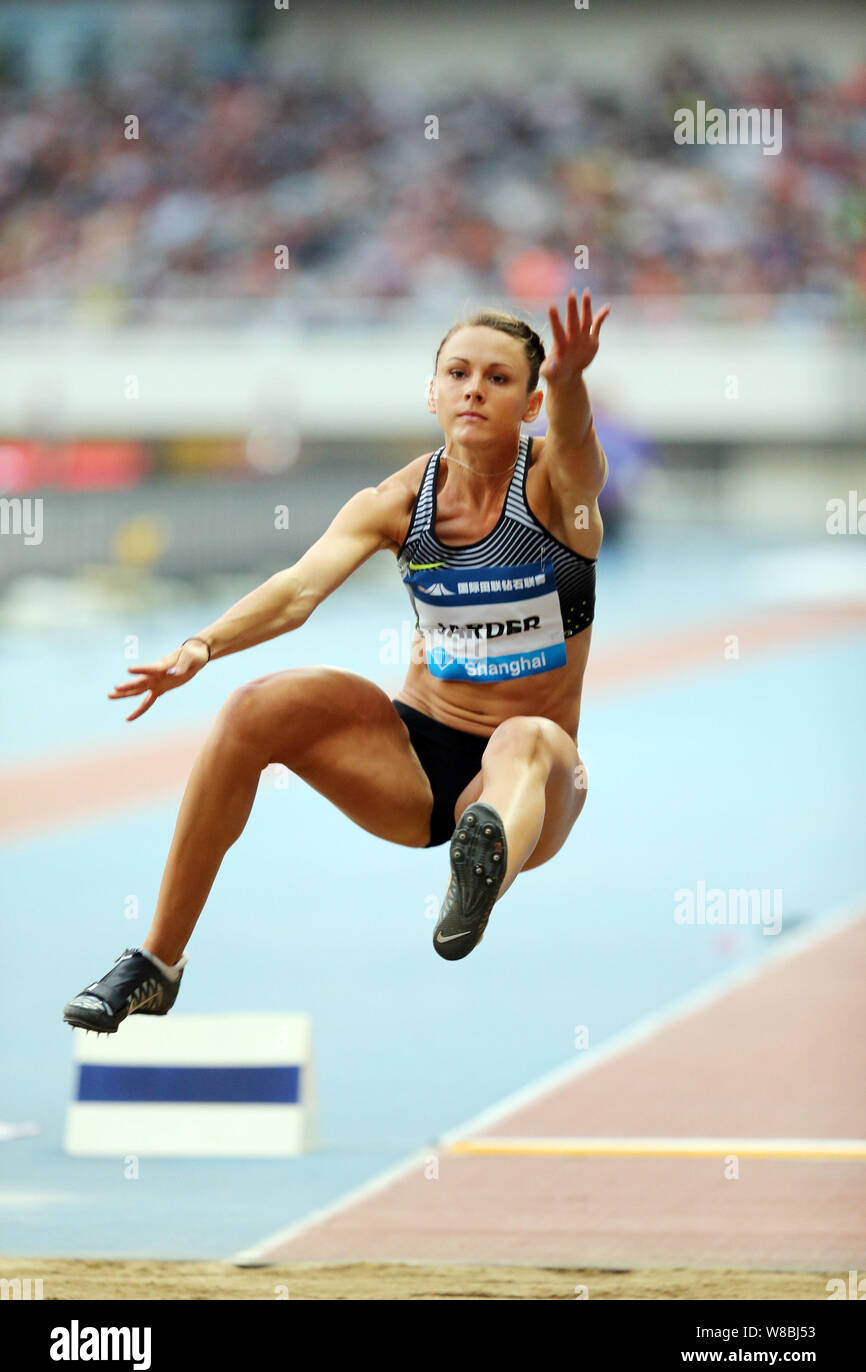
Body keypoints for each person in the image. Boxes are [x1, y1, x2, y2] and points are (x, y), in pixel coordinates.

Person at [63, 288, 610, 1034]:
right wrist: (201, 647)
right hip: (418, 759)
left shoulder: (557, 489)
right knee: (255, 706)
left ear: (532, 401)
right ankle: (156, 965)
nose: (474, 388)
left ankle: (481, 871)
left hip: (535, 775)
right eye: (457, 373)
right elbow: (297, 591)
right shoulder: (395, 502)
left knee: (526, 739)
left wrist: (576, 382)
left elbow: (580, 448)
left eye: (498, 377)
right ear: (432, 392)